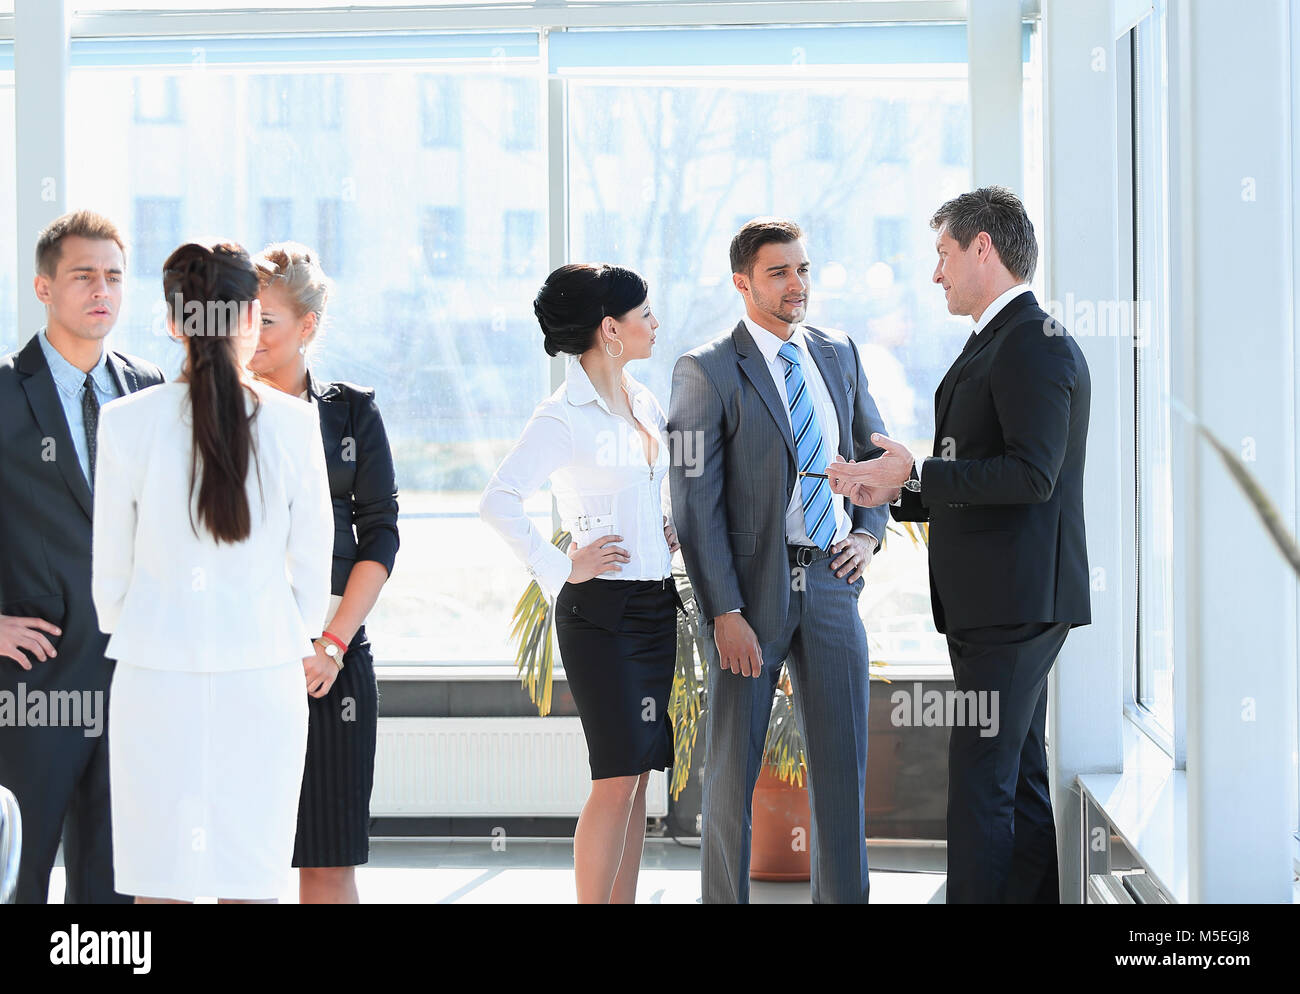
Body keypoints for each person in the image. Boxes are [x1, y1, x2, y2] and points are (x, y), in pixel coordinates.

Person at [826, 186, 1091, 903]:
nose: (934, 273)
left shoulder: (1030, 345)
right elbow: (984, 473)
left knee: (980, 783)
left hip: (1014, 602)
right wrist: (894, 491)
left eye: (943, 254)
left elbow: (1031, 475)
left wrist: (916, 471)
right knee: (1017, 779)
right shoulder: (1000, 341)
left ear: (983, 248)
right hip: (1003, 600)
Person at [91, 241, 333, 904]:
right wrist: (299, 632)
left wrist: (148, 626)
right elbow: (313, 569)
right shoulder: (292, 422)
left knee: (159, 879)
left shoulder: (125, 422)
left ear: (173, 322)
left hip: (152, 673)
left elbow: (109, 577)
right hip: (262, 671)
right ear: (252, 317)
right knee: (250, 879)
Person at [668, 217, 890, 904]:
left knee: (843, 770)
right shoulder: (704, 369)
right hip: (749, 596)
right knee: (732, 773)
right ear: (742, 282)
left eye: (802, 269)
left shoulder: (839, 351)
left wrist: (869, 532)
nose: (797, 284)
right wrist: (723, 611)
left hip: (829, 582)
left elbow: (876, 454)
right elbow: (691, 500)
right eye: (778, 272)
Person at [480, 263, 680, 904]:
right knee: (615, 776)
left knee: (641, 776)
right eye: (644, 313)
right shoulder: (562, 416)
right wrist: (563, 567)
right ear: (609, 329)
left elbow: (645, 491)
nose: (655, 323)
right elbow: (498, 501)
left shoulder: (643, 399)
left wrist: (663, 529)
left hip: (654, 604)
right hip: (601, 613)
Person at [0, 210, 163, 903]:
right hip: (35, 682)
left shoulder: (151, 388)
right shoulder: (4, 392)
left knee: (116, 881)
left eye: (115, 277)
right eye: (83, 275)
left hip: (135, 676)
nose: (102, 290)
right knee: (19, 872)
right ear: (43, 287)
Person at [252, 242, 399, 904]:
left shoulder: (349, 413)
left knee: (328, 856)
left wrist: (332, 644)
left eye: (268, 320)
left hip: (331, 656)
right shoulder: (215, 412)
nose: (249, 334)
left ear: (308, 326)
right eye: (239, 317)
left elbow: (381, 536)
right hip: (239, 656)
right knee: (243, 856)